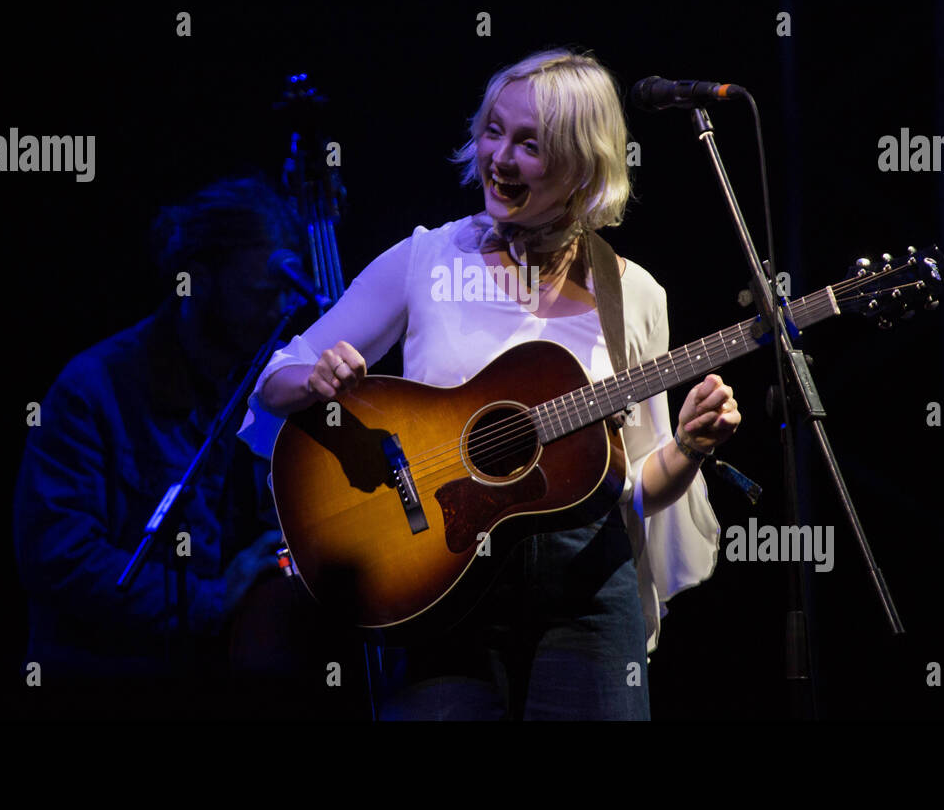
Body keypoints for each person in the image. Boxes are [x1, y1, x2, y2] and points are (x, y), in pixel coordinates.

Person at [248, 50, 740, 720]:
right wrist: (317, 376)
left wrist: (689, 448)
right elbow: (276, 377)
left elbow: (636, 489)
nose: (498, 158)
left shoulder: (634, 296)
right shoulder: (427, 260)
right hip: (439, 578)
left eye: (530, 144)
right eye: (492, 131)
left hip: (586, 595)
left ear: (581, 166)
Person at [13, 177, 309, 702]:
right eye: (260, 295)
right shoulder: (91, 389)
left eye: (290, 293)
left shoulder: (267, 388)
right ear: (195, 282)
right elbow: (58, 558)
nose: (280, 313)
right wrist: (212, 601)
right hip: (106, 685)